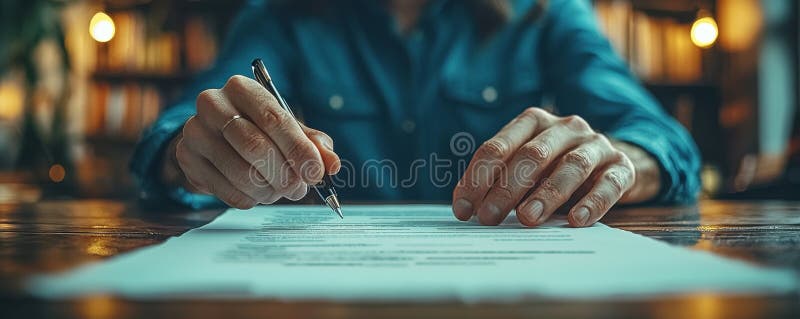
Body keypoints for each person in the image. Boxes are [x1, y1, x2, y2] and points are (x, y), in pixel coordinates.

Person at [131, 0, 701, 227]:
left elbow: (660, 139)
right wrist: (193, 152)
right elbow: (182, 129)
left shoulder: (547, 12)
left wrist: (618, 161)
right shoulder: (282, 14)